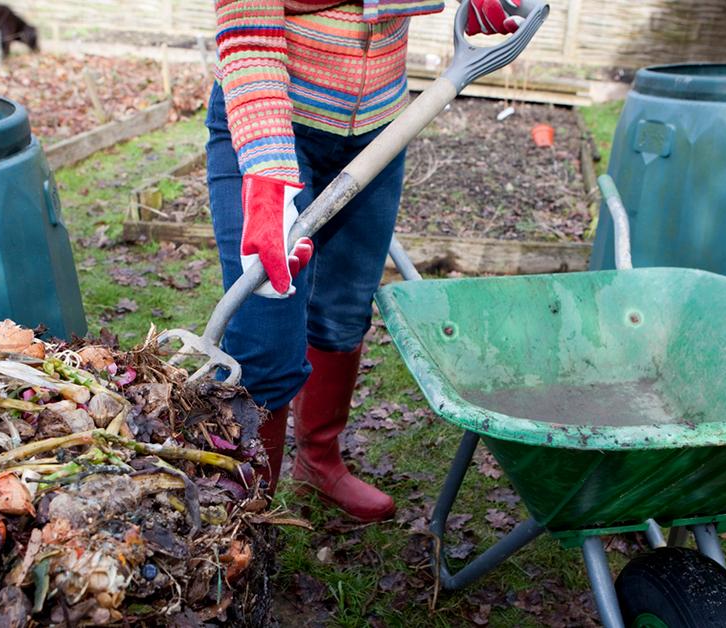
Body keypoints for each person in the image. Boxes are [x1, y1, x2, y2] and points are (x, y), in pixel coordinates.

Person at [206, 0, 523, 522]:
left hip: (379, 125)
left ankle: (318, 462)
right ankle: (247, 521)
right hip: (272, 120)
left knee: (344, 311)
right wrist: (267, 176)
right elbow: (250, 36)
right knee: (264, 335)